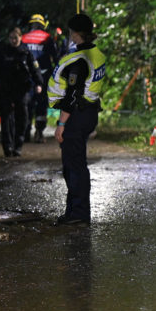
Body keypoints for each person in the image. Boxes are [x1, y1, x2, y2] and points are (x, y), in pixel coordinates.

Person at [47, 13, 106, 225]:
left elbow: (73, 94)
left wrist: (61, 124)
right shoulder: (95, 54)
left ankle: (79, 214)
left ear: (76, 33)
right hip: (88, 113)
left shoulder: (80, 59)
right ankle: (74, 211)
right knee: (73, 164)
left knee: (74, 166)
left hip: (77, 115)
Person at [0, 27, 43, 157]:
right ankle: (7, 146)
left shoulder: (26, 53)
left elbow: (34, 69)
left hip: (22, 90)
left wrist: (38, 83)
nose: (13, 40)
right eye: (11, 38)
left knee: (22, 117)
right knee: (6, 119)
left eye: (16, 38)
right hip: (6, 89)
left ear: (21, 38)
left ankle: (18, 144)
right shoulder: (3, 52)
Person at [21, 13, 59, 143]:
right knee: (41, 104)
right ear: (43, 25)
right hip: (43, 76)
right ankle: (39, 133)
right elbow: (55, 57)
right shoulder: (48, 38)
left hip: (26, 77)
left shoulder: (24, 38)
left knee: (26, 104)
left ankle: (25, 133)